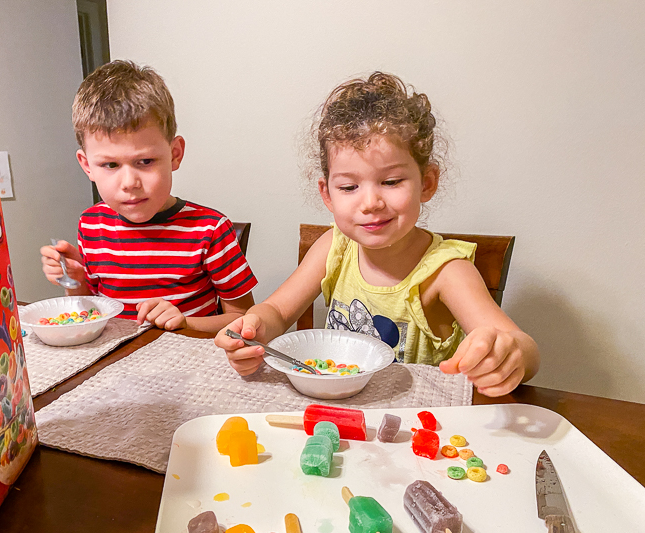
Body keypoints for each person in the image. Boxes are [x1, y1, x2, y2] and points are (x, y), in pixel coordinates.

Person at [215, 72, 539, 396]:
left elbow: (524, 349)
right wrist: (253, 328)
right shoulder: (334, 247)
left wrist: (510, 355)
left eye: (391, 181)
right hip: (335, 418)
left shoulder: (446, 271)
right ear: (327, 194)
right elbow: (278, 312)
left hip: (413, 430)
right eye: (349, 187)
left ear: (427, 183)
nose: (370, 203)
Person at [41, 60, 257, 333]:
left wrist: (185, 322)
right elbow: (93, 310)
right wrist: (75, 280)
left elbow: (244, 321)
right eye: (110, 165)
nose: (130, 183)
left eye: (145, 161)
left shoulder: (210, 230)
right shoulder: (91, 224)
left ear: (175, 154)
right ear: (87, 166)